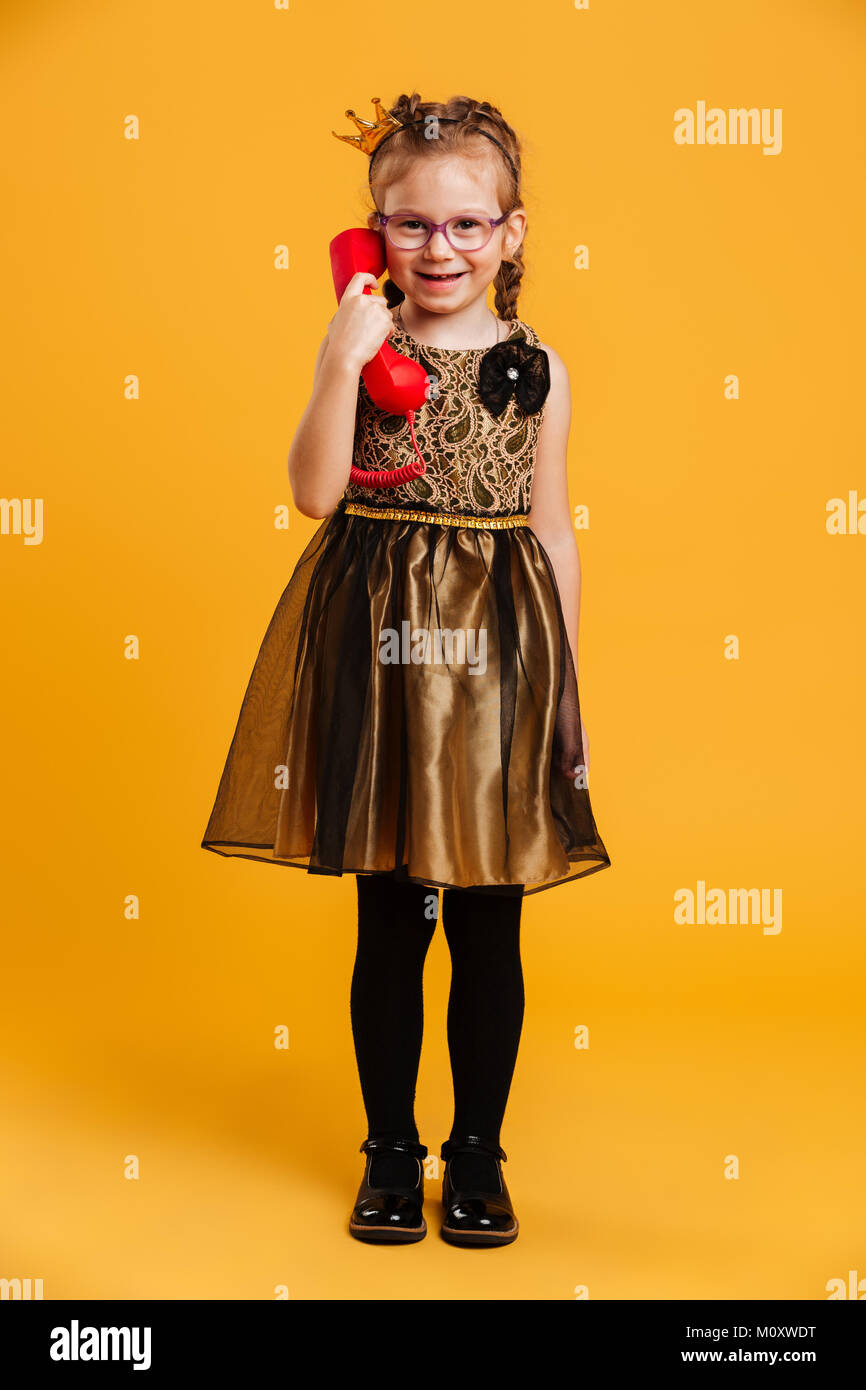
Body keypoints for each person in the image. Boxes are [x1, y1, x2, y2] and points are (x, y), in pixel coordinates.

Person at [201, 92, 611, 1248]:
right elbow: (313, 494)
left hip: (495, 663)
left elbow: (555, 532)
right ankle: (389, 1150)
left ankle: (475, 1153)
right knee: (390, 917)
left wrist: (566, 691)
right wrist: (340, 362)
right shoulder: (363, 343)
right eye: (412, 226)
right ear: (374, 234)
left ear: (510, 234)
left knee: (488, 920)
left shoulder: (537, 369)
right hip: (377, 656)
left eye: (466, 226)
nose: (440, 249)